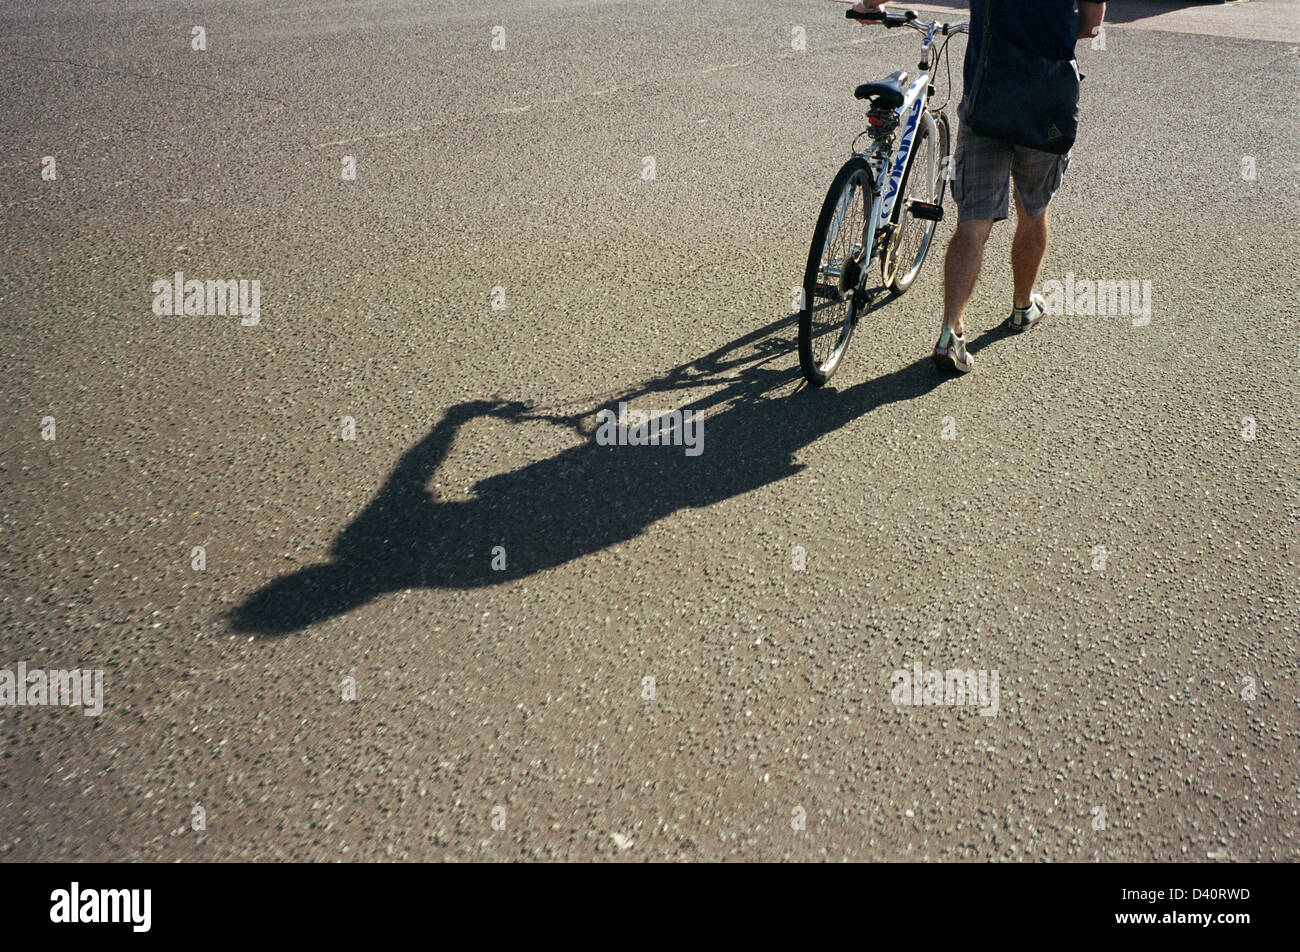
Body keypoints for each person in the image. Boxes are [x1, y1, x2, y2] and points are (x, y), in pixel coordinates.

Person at [851, 0, 1107, 373]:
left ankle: (950, 331)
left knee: (973, 223)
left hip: (987, 102)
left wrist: (871, 5)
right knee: (1033, 209)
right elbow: (1090, 25)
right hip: (1047, 103)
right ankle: (1022, 307)